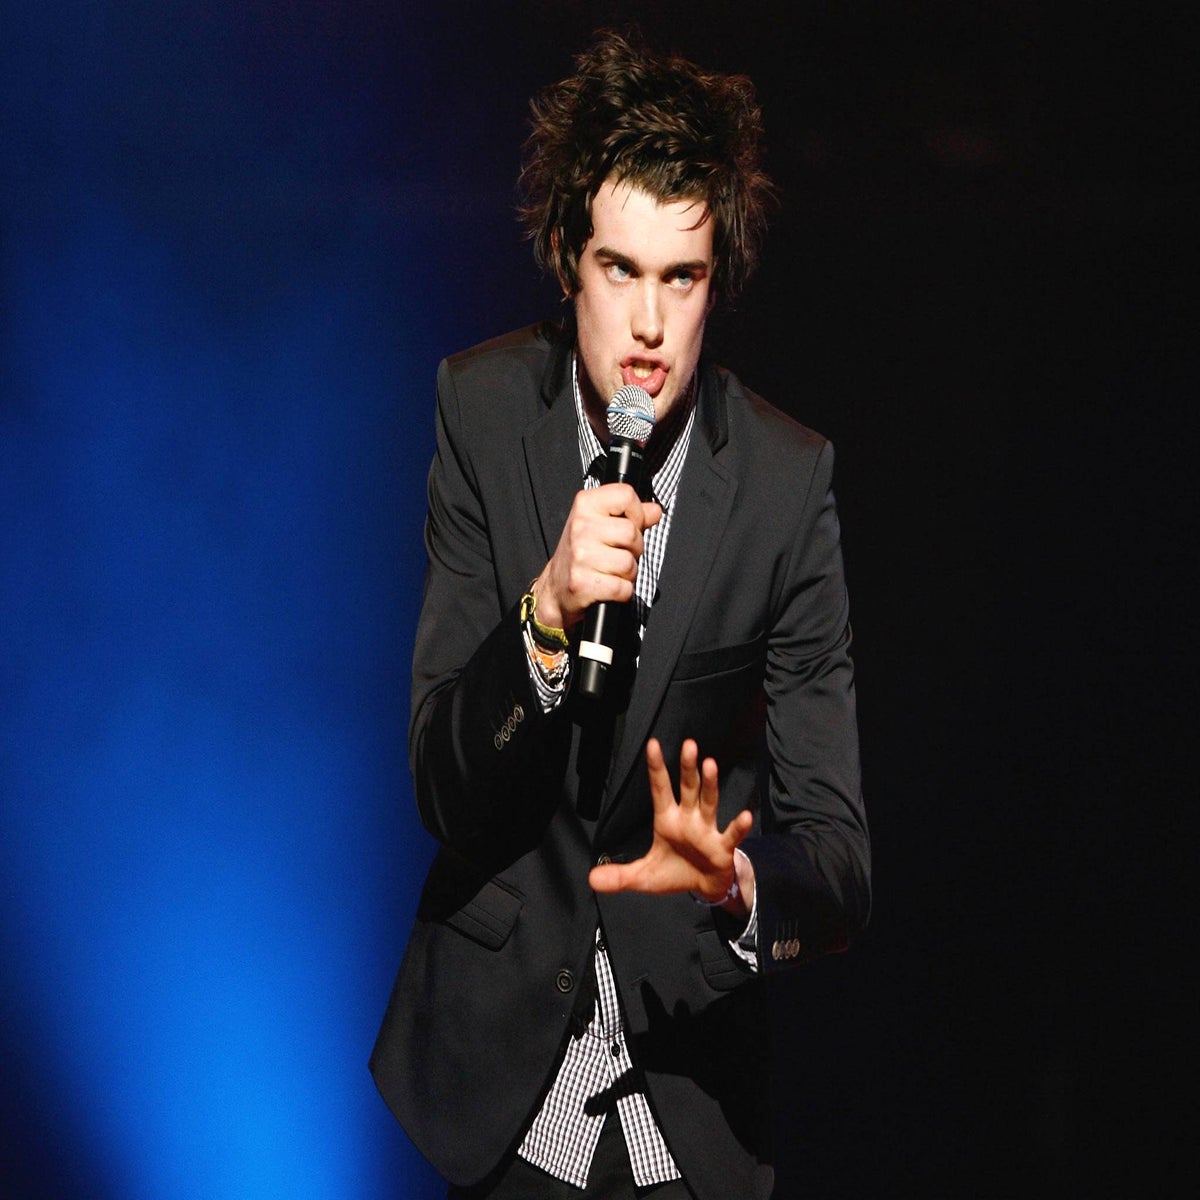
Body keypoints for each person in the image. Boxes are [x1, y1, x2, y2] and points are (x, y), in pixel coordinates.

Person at [371, 30, 870, 1200]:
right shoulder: (484, 412)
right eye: (619, 269)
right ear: (567, 262)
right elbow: (441, 782)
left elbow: (840, 864)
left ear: (716, 283)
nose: (648, 324)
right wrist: (545, 616)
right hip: (497, 1091)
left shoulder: (786, 484)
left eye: (680, 277)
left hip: (682, 1097)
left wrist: (736, 884)